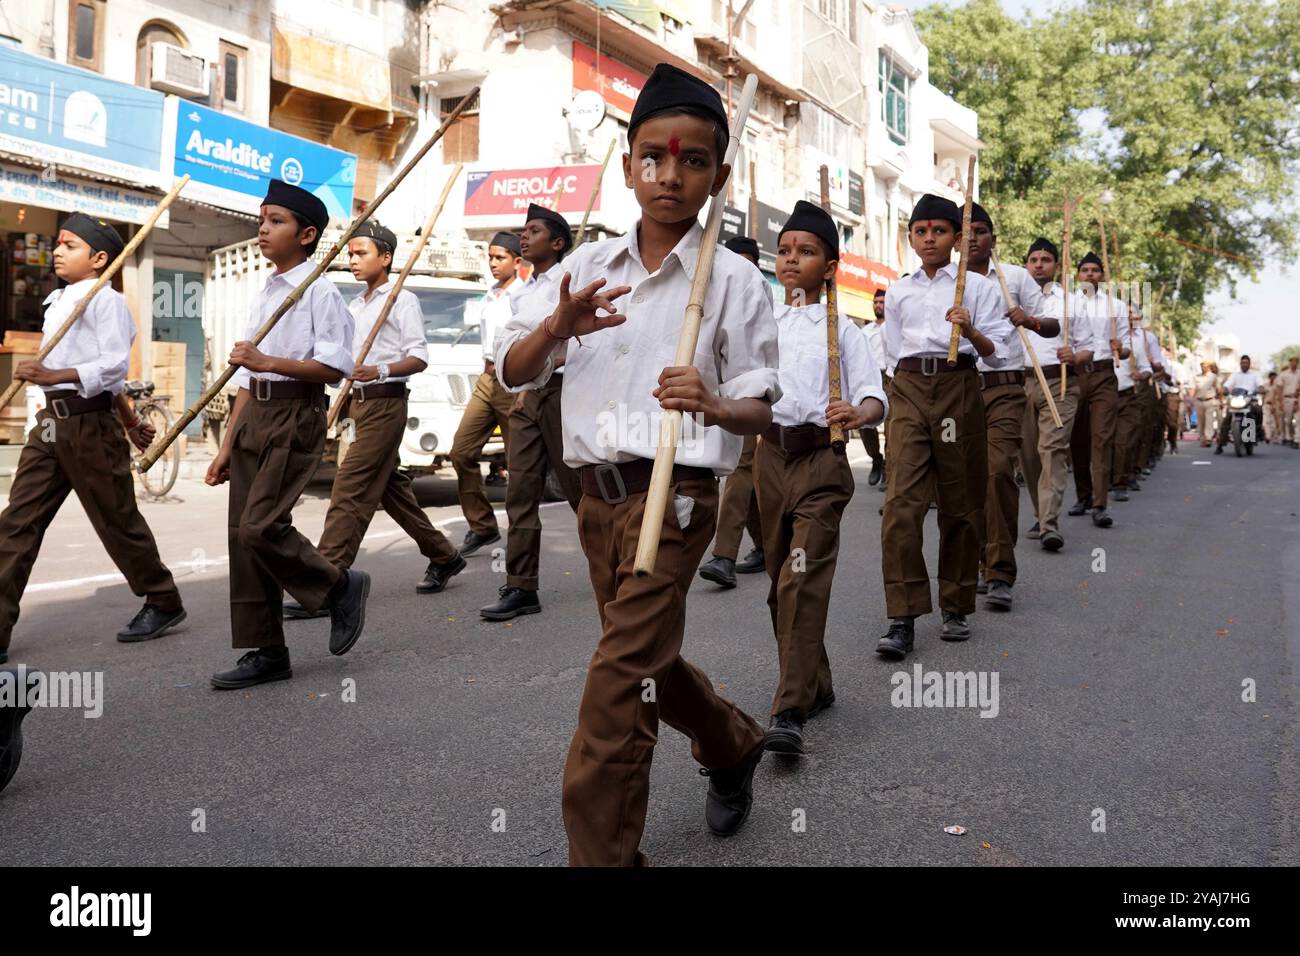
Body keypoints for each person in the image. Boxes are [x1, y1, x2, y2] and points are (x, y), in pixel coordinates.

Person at [497, 63, 780, 865]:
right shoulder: (582, 270)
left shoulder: (733, 280)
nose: (670, 174)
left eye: (693, 161)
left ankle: (604, 857)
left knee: (618, 687)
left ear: (718, 175)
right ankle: (732, 742)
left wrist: (716, 402)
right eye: (653, 157)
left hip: (677, 500)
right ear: (627, 166)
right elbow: (514, 373)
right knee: (646, 661)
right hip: (597, 503)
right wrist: (555, 327)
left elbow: (766, 406)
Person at [0, 213, 186, 665]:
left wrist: (52, 374)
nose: (58, 251)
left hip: (89, 427)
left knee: (116, 519)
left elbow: (112, 369)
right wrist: (128, 419)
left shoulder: (108, 302)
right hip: (50, 426)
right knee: (17, 522)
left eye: (69, 245)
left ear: (99, 258)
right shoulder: (59, 300)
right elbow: (110, 384)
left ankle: (163, 600)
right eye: (57, 244)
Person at [205, 180, 368, 690]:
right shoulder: (266, 293)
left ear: (307, 234)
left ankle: (339, 585)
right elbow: (249, 381)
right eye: (261, 220)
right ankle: (266, 650)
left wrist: (266, 361)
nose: (263, 229)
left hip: (296, 416)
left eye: (276, 221)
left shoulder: (320, 291)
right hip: (256, 416)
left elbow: (332, 367)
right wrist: (227, 445)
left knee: (261, 526)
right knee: (241, 537)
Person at [283, 220, 464, 622]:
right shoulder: (355, 305)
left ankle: (326, 582)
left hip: (386, 402)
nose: (352, 260)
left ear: (385, 257)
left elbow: (419, 356)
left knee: (349, 487)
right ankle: (444, 555)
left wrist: (379, 370)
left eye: (361, 252)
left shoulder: (402, 300)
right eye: (349, 253)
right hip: (358, 405)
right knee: (389, 488)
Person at [758, 201, 886, 755]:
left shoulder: (847, 332)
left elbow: (875, 396)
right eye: (785, 251)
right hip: (768, 459)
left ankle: (789, 709)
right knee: (775, 588)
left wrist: (859, 414)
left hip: (822, 463)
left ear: (828, 267)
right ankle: (818, 682)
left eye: (806, 252)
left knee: (799, 578)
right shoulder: (760, 323)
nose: (792, 260)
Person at [875, 193, 1013, 661]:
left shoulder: (977, 288)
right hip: (911, 388)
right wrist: (901, 391)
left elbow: (998, 352)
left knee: (960, 501)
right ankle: (903, 614)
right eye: (920, 230)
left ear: (957, 238)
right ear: (911, 237)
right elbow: (891, 350)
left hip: (959, 386)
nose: (929, 238)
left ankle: (955, 604)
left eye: (939, 230)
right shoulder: (899, 290)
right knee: (901, 503)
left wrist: (970, 329)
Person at [479, 204, 584, 622]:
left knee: (581, 489)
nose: (524, 237)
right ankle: (520, 586)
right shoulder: (522, 292)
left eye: (534, 231)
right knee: (520, 489)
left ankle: (616, 564)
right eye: (523, 231)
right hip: (526, 395)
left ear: (557, 243)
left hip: (563, 391)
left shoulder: (571, 280)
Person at [966, 203, 1050, 610]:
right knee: (968, 480)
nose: (971, 238)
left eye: (979, 231)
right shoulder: (946, 281)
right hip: (959, 389)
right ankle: (976, 560)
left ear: (992, 238)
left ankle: (999, 572)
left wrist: (1029, 319)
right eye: (963, 230)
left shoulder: (1014, 277)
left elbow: (1053, 322)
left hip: (1004, 388)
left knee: (998, 471)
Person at [698, 234, 769, 588]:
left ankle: (723, 556)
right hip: (727, 407)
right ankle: (768, 545)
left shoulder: (766, 300)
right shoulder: (711, 299)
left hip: (769, 411)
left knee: (743, 473)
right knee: (746, 476)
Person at [1019, 237, 1095, 552]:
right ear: (1026, 264)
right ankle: (1041, 513)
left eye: (1045, 259)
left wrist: (1074, 357)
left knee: (1052, 450)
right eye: (1033, 259)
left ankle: (1049, 523)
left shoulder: (1071, 302)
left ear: (1056, 265)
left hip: (1059, 383)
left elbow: (1089, 347)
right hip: (1021, 383)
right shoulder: (1013, 299)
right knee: (1029, 455)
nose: (1039, 264)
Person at [452, 232, 522, 555]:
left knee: (519, 465)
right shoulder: (489, 294)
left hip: (516, 382)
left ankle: (522, 538)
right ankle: (482, 526)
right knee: (461, 451)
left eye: (500, 258)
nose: (493, 263)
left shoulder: (526, 295)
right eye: (491, 257)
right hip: (487, 379)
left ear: (517, 262)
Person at [1066, 252, 1130, 528]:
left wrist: (1121, 348)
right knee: (1077, 438)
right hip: (1075, 375)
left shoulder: (1116, 307)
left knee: (1101, 438)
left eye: (1095, 270)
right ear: (1078, 274)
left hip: (1104, 374)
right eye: (1085, 270)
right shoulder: (1066, 304)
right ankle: (1083, 495)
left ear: (1102, 276)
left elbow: (1127, 349)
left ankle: (1100, 504)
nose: (1090, 274)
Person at [1109, 309, 1153, 501]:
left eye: (1130, 317)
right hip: (1103, 398)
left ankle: (1120, 483)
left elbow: (1147, 370)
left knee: (1124, 440)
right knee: (1103, 443)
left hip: (1127, 396)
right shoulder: (1099, 339)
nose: (1128, 320)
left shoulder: (1136, 343)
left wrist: (1141, 375)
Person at [859, 286, 889, 488]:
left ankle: (890, 471)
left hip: (890, 377)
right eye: (876, 302)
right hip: (869, 377)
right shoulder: (865, 331)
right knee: (864, 423)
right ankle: (876, 458)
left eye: (882, 302)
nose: (878, 306)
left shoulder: (894, 326)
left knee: (893, 428)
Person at [1214, 354, 1264, 454]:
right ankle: (1220, 444)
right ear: (1240, 364)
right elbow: (1227, 386)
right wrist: (1223, 390)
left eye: (1246, 363)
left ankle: (1258, 432)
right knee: (1226, 420)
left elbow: (1260, 386)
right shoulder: (1235, 375)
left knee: (1258, 410)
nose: (1244, 364)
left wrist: (1260, 389)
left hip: (1250, 399)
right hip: (1237, 400)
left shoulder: (1255, 375)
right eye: (1242, 363)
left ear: (1249, 364)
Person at [1194, 361, 1218, 447]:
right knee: (1201, 421)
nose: (1203, 368)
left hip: (1209, 400)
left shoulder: (1213, 376)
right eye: (1202, 366)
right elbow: (1194, 389)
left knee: (1209, 420)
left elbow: (1217, 388)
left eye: (1205, 366)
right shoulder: (1197, 377)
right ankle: (1202, 438)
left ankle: (1208, 438)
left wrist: (1221, 401)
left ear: (1209, 367)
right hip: (1199, 401)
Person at [1278, 355, 1300, 449]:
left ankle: (1297, 439)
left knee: (1298, 419)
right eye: (1293, 361)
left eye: (1296, 361)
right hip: (1286, 399)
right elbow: (1279, 388)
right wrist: (1281, 402)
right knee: (1288, 421)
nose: (1294, 363)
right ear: (1290, 363)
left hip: (1298, 398)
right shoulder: (1283, 374)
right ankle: (1290, 437)